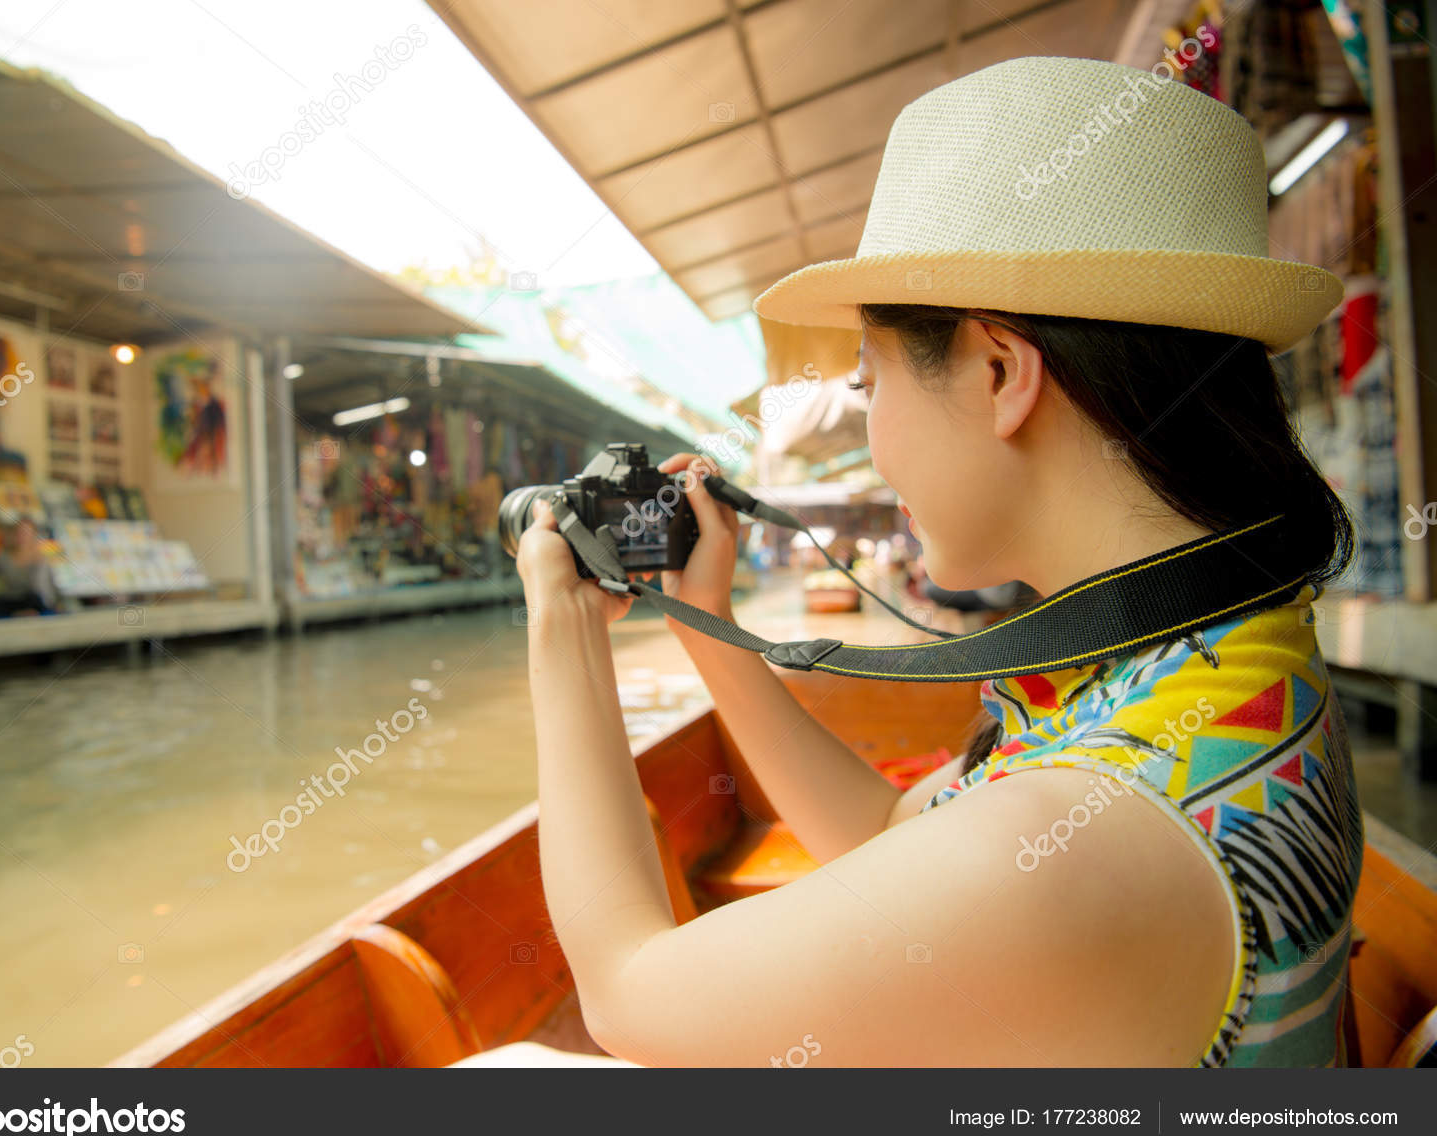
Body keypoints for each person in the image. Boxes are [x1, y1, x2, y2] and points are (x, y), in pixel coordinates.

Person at [491, 56, 1360, 1068]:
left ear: (999, 372)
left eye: (871, 383)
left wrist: (559, 627)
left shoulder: (1073, 844)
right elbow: (886, 832)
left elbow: (627, 993)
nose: (877, 436)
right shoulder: (1216, 662)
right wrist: (704, 619)